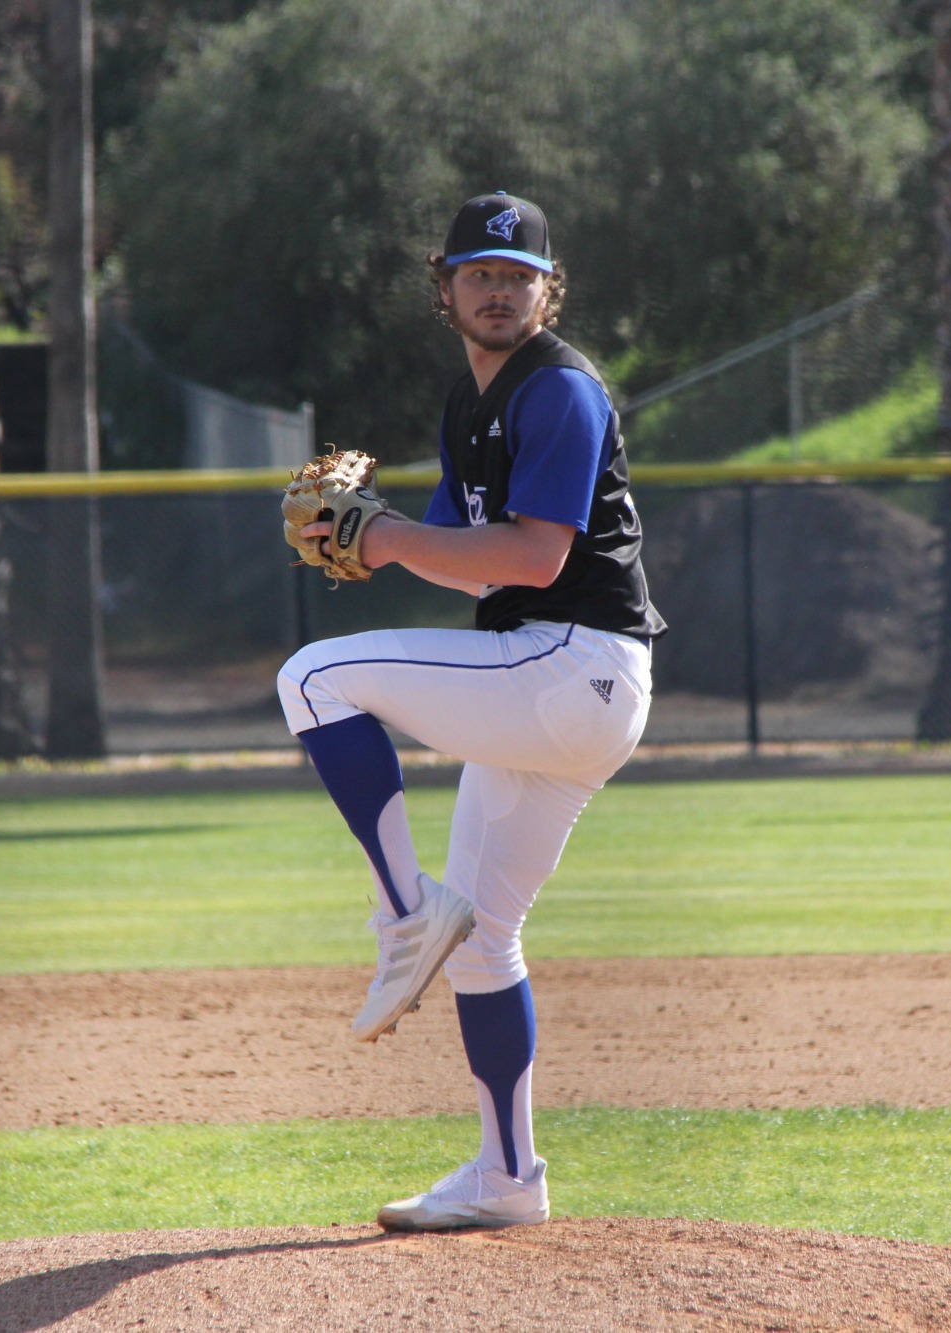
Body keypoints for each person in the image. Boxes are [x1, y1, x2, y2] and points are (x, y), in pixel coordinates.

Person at [276, 191, 667, 1231]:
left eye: (517, 273)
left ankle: (403, 912)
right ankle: (506, 1177)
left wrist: (390, 533)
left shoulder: (559, 392)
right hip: (554, 676)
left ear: (549, 289)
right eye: (478, 272)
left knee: (312, 679)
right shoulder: (470, 404)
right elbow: (468, 568)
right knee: (487, 941)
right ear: (443, 287)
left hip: (567, 664)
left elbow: (535, 557)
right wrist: (370, 534)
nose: (497, 290)